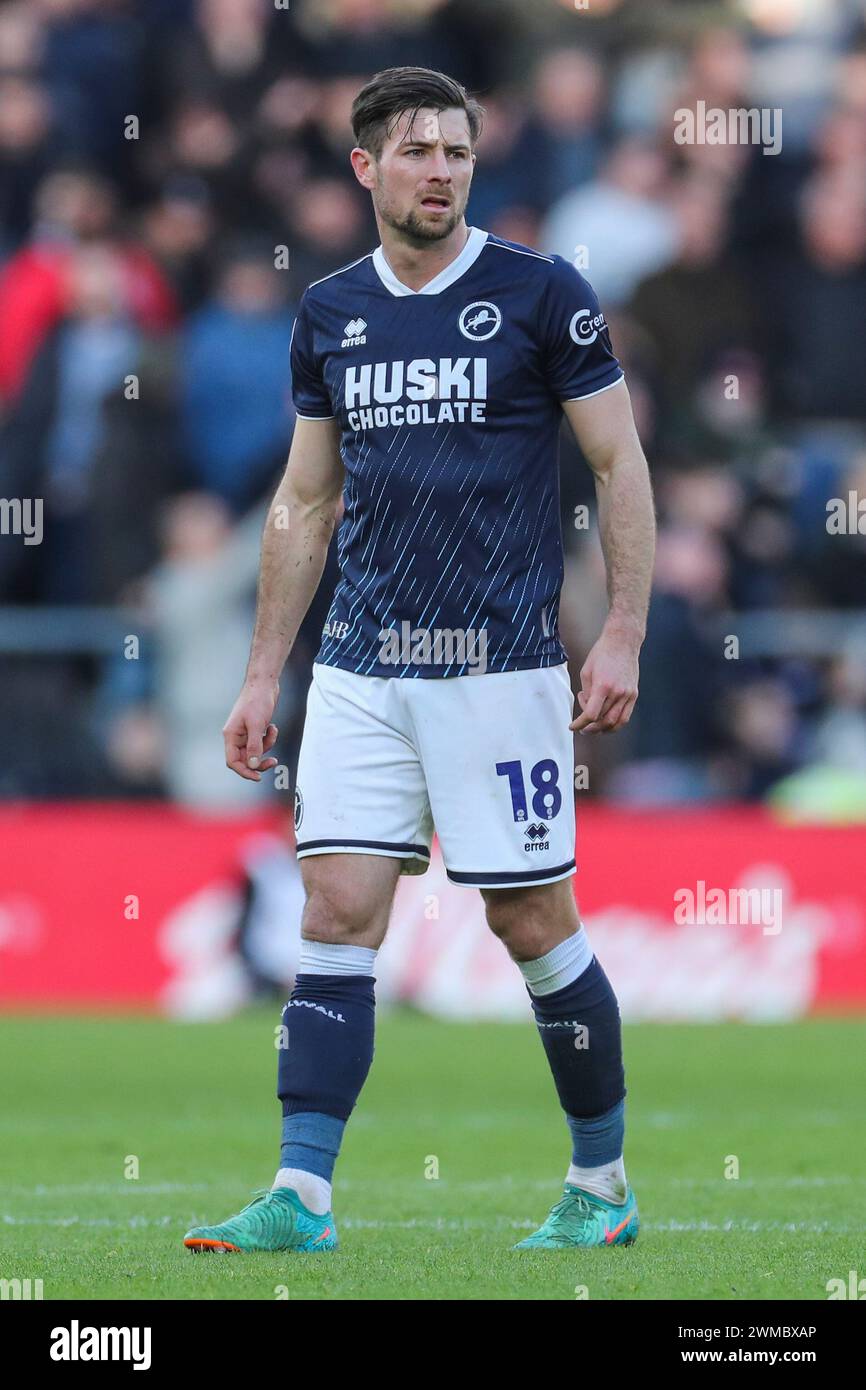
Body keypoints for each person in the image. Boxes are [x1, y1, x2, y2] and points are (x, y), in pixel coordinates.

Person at [184, 66, 655, 1257]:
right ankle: (302, 1195)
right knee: (336, 909)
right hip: (357, 662)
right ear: (364, 169)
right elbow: (303, 498)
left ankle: (599, 1184)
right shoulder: (330, 311)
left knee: (530, 921)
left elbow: (619, 466)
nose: (439, 169)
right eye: (415, 152)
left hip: (496, 666)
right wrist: (260, 675)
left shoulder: (544, 293)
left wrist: (623, 629)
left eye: (454, 151)